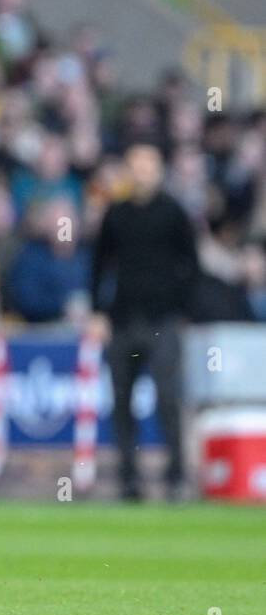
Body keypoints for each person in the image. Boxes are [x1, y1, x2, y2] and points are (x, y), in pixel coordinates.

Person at [91, 143, 199, 501]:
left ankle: (176, 477)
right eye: (136, 165)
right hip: (123, 320)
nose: (142, 172)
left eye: (148, 165)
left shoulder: (173, 213)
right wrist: (98, 311)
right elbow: (99, 264)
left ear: (158, 170)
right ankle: (129, 478)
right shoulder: (116, 213)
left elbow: (191, 265)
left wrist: (183, 310)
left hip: (163, 319)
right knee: (122, 401)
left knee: (169, 398)